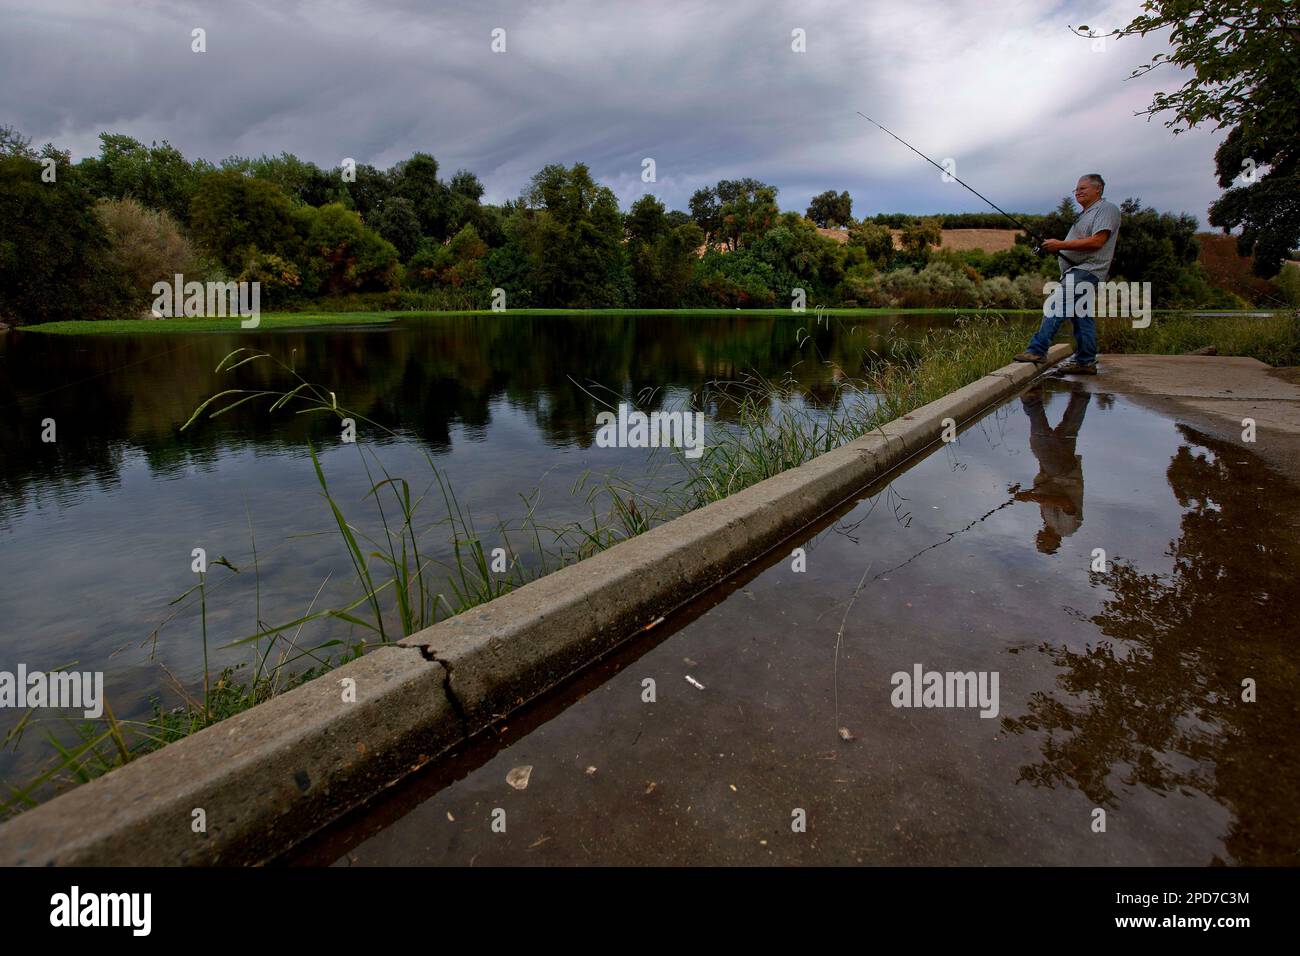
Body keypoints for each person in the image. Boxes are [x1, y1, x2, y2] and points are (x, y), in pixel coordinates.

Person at [1013, 174, 1121, 375]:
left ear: (1098, 189)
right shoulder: (1086, 213)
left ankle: (1037, 350)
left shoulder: (1106, 209)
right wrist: (1056, 248)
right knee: (1082, 318)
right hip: (1079, 270)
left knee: (1055, 304)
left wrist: (1060, 244)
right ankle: (1086, 362)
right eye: (1076, 189)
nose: (1078, 192)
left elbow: (1098, 241)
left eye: (1083, 188)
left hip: (1088, 270)